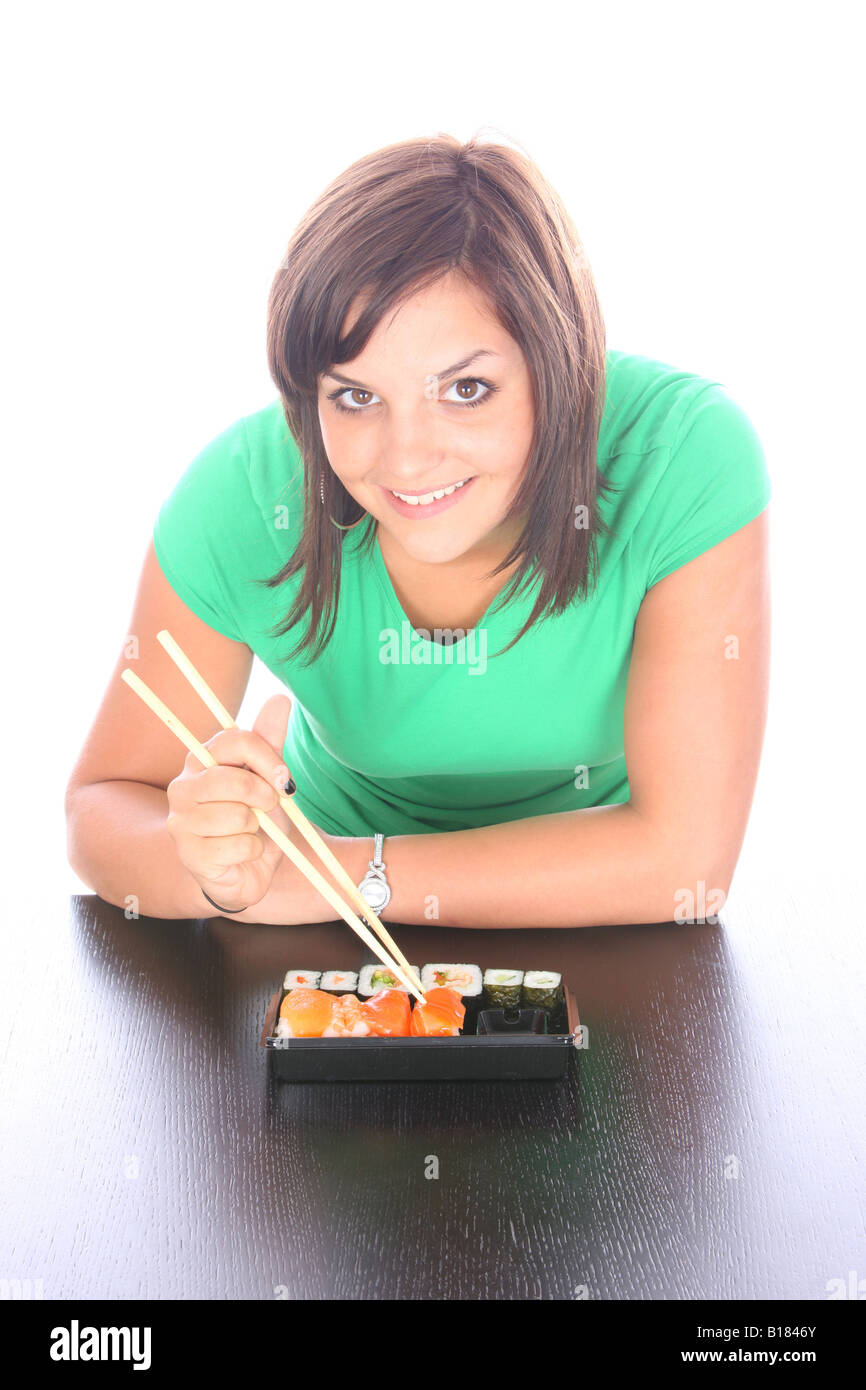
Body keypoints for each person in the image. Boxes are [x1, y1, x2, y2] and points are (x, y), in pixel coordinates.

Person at [65, 133, 771, 929]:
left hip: (603, 923)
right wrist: (213, 870)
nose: (408, 458)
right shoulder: (250, 494)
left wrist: (336, 879)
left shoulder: (680, 455)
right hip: (317, 930)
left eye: (467, 388)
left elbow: (686, 866)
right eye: (355, 397)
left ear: (564, 367)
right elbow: (104, 806)